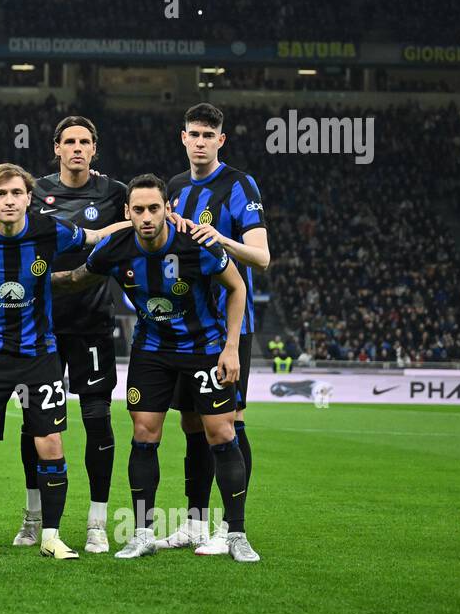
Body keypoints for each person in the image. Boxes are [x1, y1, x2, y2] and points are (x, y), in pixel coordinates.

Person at [55, 173, 259, 563]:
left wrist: (231, 348)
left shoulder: (197, 244)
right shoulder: (116, 248)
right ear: (127, 212)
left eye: (154, 208)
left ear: (168, 209)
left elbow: (238, 288)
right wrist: (31, 278)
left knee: (221, 433)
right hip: (151, 351)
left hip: (204, 348)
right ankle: (143, 534)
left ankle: (237, 534)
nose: (146, 217)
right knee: (144, 435)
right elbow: (77, 280)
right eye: (138, 210)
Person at [0, 163, 120, 560]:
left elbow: (93, 236)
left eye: (16, 193)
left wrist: (137, 227)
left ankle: (51, 536)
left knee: (50, 443)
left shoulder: (48, 230)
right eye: (0, 194)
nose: (9, 200)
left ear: (28, 199)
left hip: (39, 355)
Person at [157, 103, 270, 556]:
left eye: (209, 135)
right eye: (193, 134)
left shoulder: (240, 185)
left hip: (229, 326)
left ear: (220, 140)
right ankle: (195, 523)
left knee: (230, 423)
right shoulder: (177, 187)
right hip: (186, 327)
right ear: (182, 137)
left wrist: (217, 239)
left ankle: (232, 528)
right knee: (192, 424)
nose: (200, 142)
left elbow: (261, 257)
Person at [17, 115, 128, 554]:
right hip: (39, 327)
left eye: (85, 141)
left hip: (93, 324)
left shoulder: (115, 194)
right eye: (70, 141)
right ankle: (33, 519)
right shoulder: (35, 192)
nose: (77, 148)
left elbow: (142, 226)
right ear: (56, 147)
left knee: (97, 419)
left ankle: (97, 523)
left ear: (94, 149)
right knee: (35, 423)